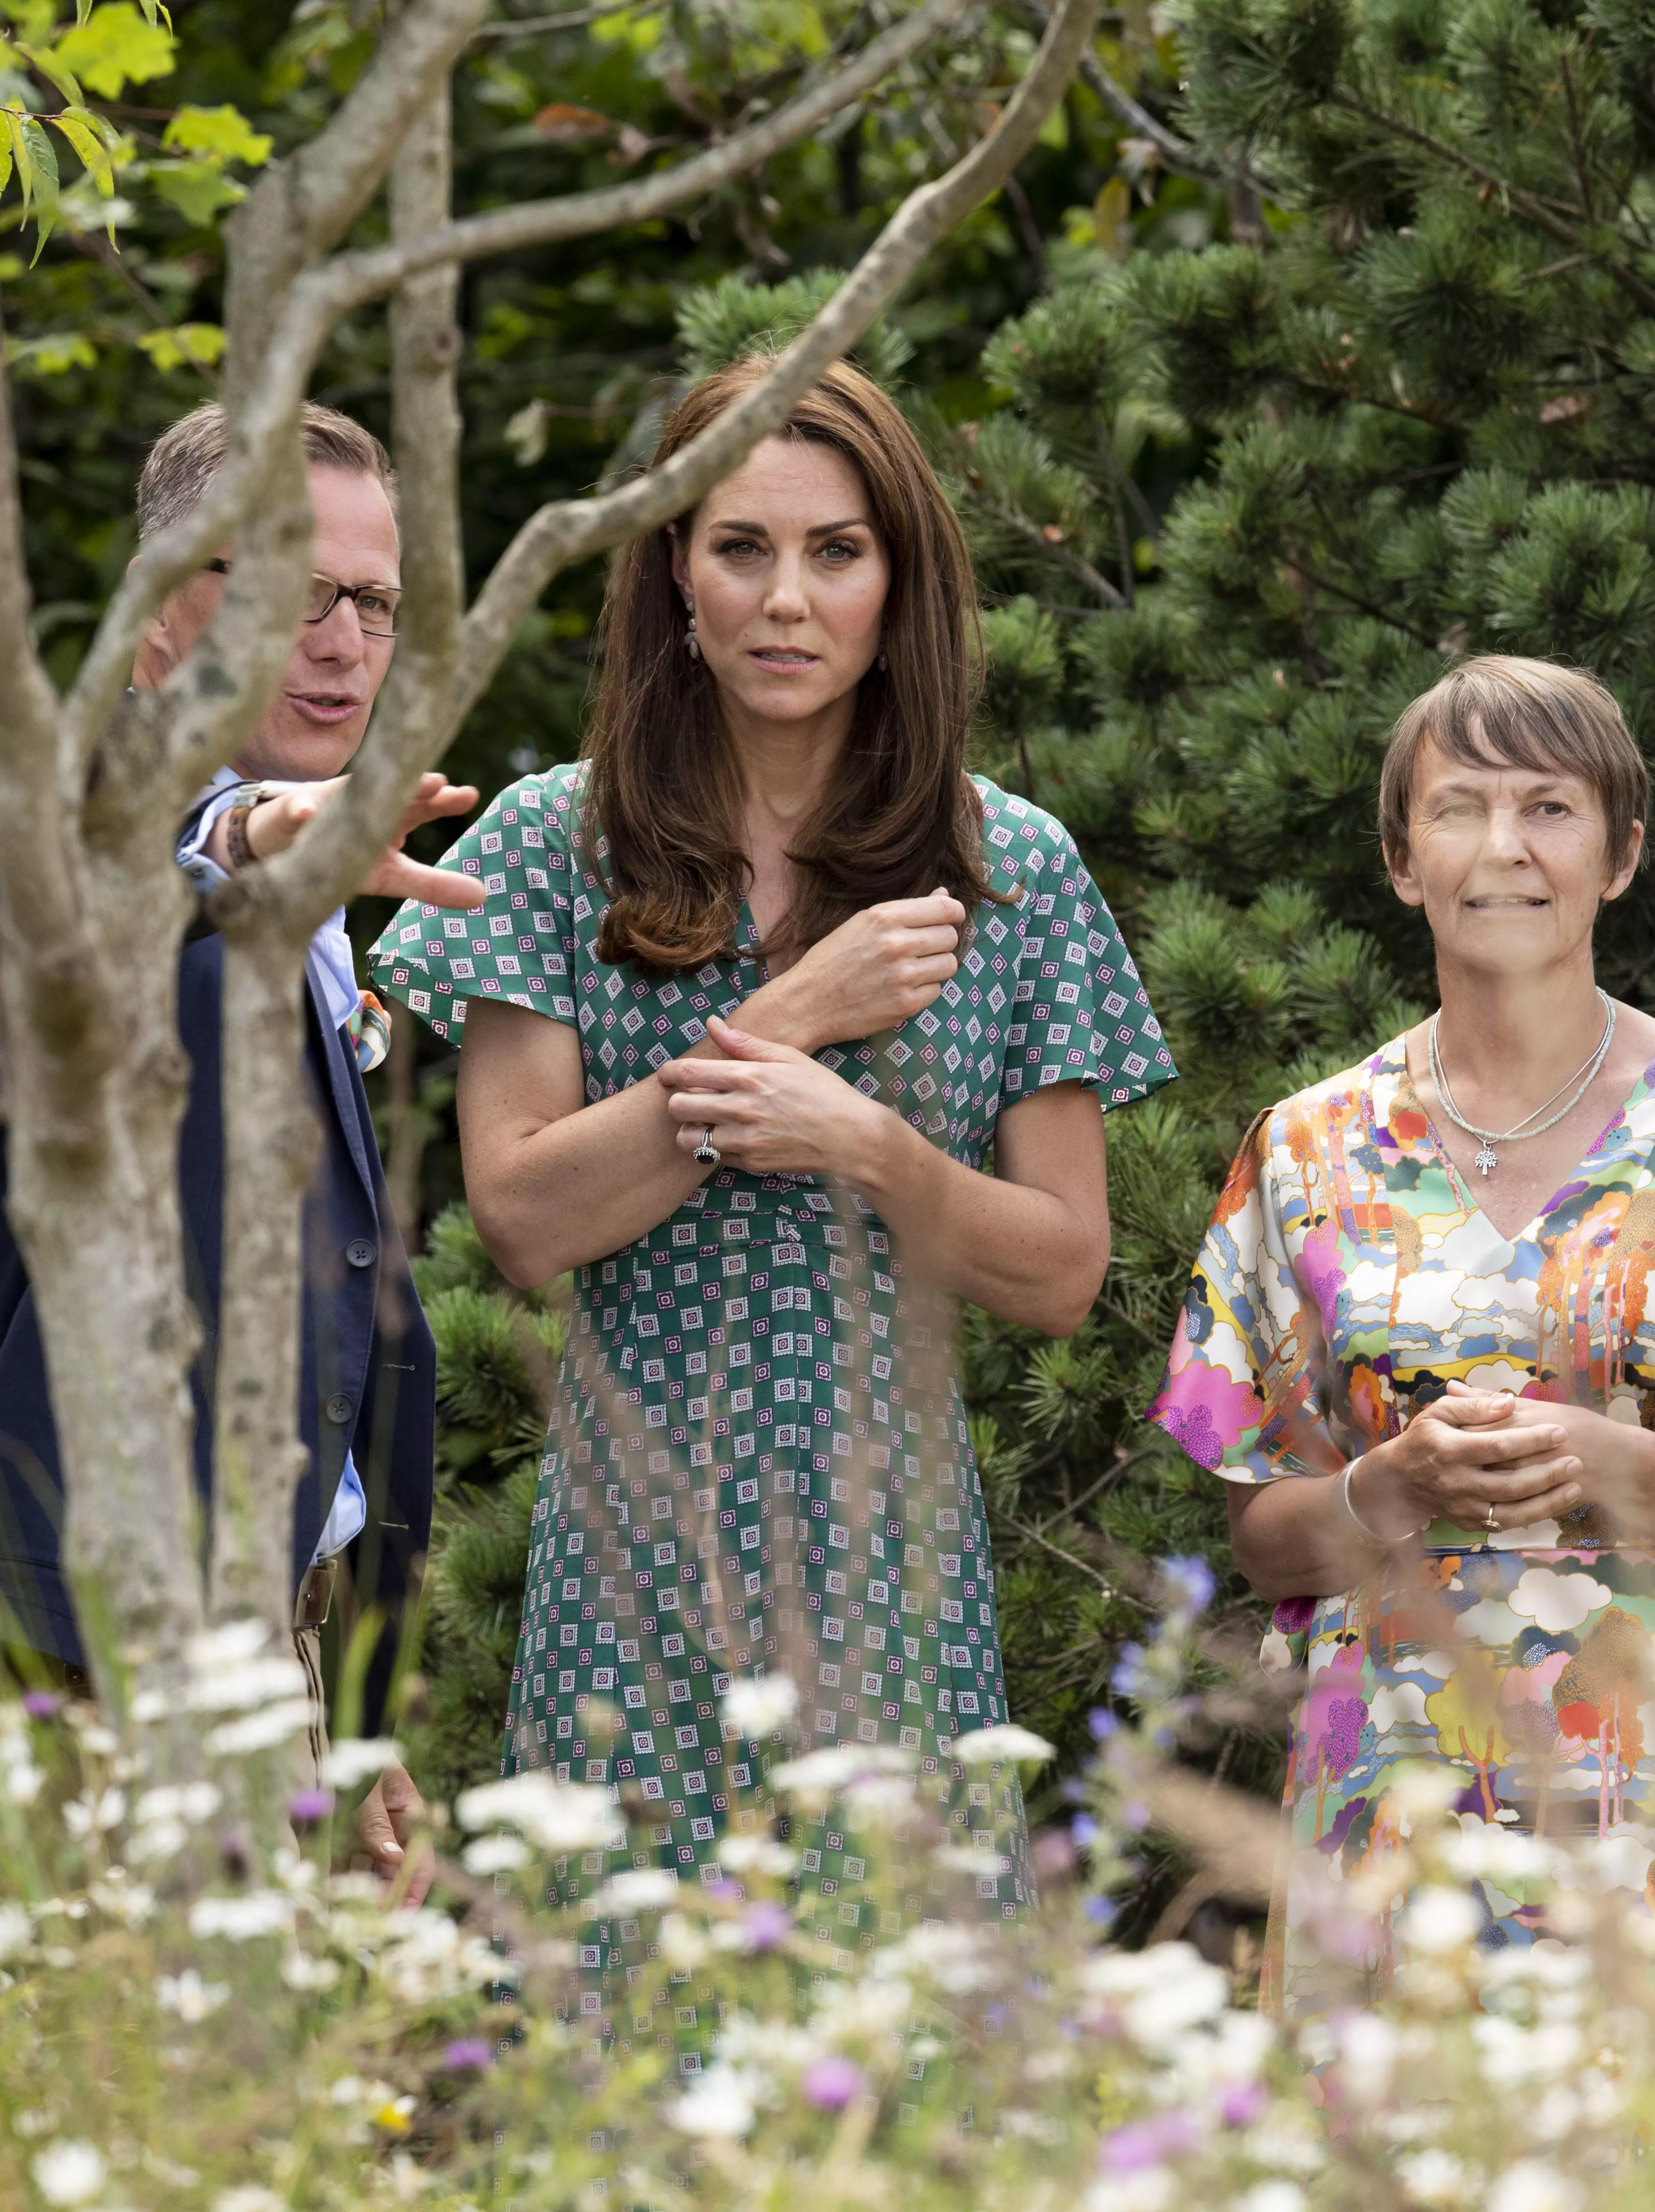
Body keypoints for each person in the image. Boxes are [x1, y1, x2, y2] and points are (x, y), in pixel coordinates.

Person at [371, 357, 1174, 1942]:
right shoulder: (552, 841)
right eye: (741, 548)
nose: (786, 600)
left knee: (890, 2117)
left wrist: (874, 1147)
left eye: (837, 552)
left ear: (901, 583)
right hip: (627, 1586)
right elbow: (526, 1219)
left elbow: (1066, 1270)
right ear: (673, 568)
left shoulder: (1008, 866)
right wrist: (789, 1018)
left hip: (895, 1594)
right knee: (626, 2090)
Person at [0, 400, 481, 1887]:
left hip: (277, 1660)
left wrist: (354, 1718)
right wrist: (241, 843)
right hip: (81, 1670)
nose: (342, 640)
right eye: (293, 587)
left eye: (372, 600)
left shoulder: (310, 886)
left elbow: (329, 1307)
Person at [1150, 653, 1655, 2013]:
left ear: (1622, 851)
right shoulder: (1308, 1147)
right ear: (1399, 855)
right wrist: (1392, 1484)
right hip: (1389, 1815)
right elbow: (1259, 1532)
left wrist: (1614, 1463)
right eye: (1462, 807)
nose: (1506, 847)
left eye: (1551, 806)